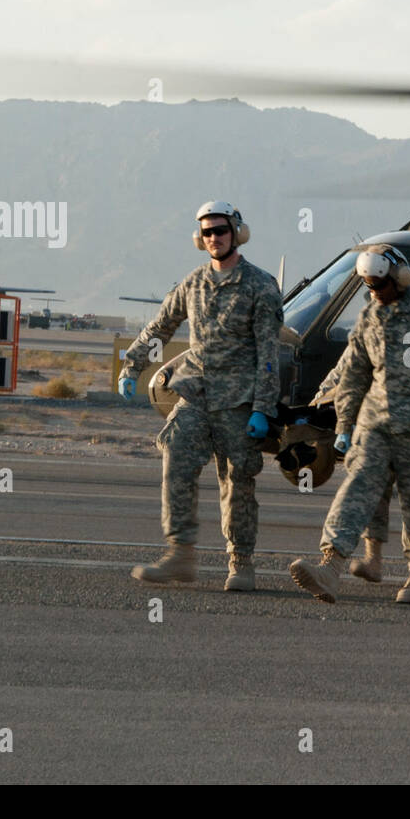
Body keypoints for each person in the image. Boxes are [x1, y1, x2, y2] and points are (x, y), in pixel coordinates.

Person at [118, 201, 283, 589]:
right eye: (206, 233)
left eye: (220, 231)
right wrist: (132, 365)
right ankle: (181, 555)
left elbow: (269, 355)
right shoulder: (193, 284)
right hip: (195, 395)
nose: (213, 238)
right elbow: (161, 326)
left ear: (237, 233)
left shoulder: (260, 285)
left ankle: (241, 563)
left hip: (239, 403)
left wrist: (262, 408)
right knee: (175, 461)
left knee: (237, 482)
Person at [288, 244, 410, 604]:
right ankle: (330, 568)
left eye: (380, 284)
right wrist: (345, 427)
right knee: (358, 486)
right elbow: (352, 375)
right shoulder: (369, 317)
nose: (375, 292)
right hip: (376, 423)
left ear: (399, 279)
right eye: (368, 286)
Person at [311, 347, 403, 583]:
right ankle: (337, 563)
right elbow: (346, 368)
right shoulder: (372, 317)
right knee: (365, 481)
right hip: (374, 422)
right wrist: (319, 404)